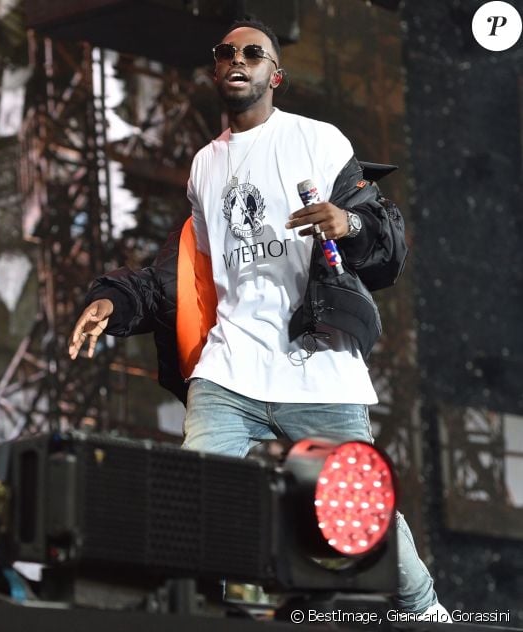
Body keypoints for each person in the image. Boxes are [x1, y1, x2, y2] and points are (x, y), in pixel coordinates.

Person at [67, 19, 450, 620]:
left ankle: (425, 613)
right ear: (216, 69)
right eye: (226, 52)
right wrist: (112, 303)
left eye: (253, 52)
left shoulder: (317, 142)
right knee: (192, 504)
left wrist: (347, 225)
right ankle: (204, 616)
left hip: (316, 366)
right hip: (230, 373)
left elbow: (387, 238)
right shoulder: (204, 167)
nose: (237, 59)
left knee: (361, 512)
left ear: (277, 74)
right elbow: (181, 272)